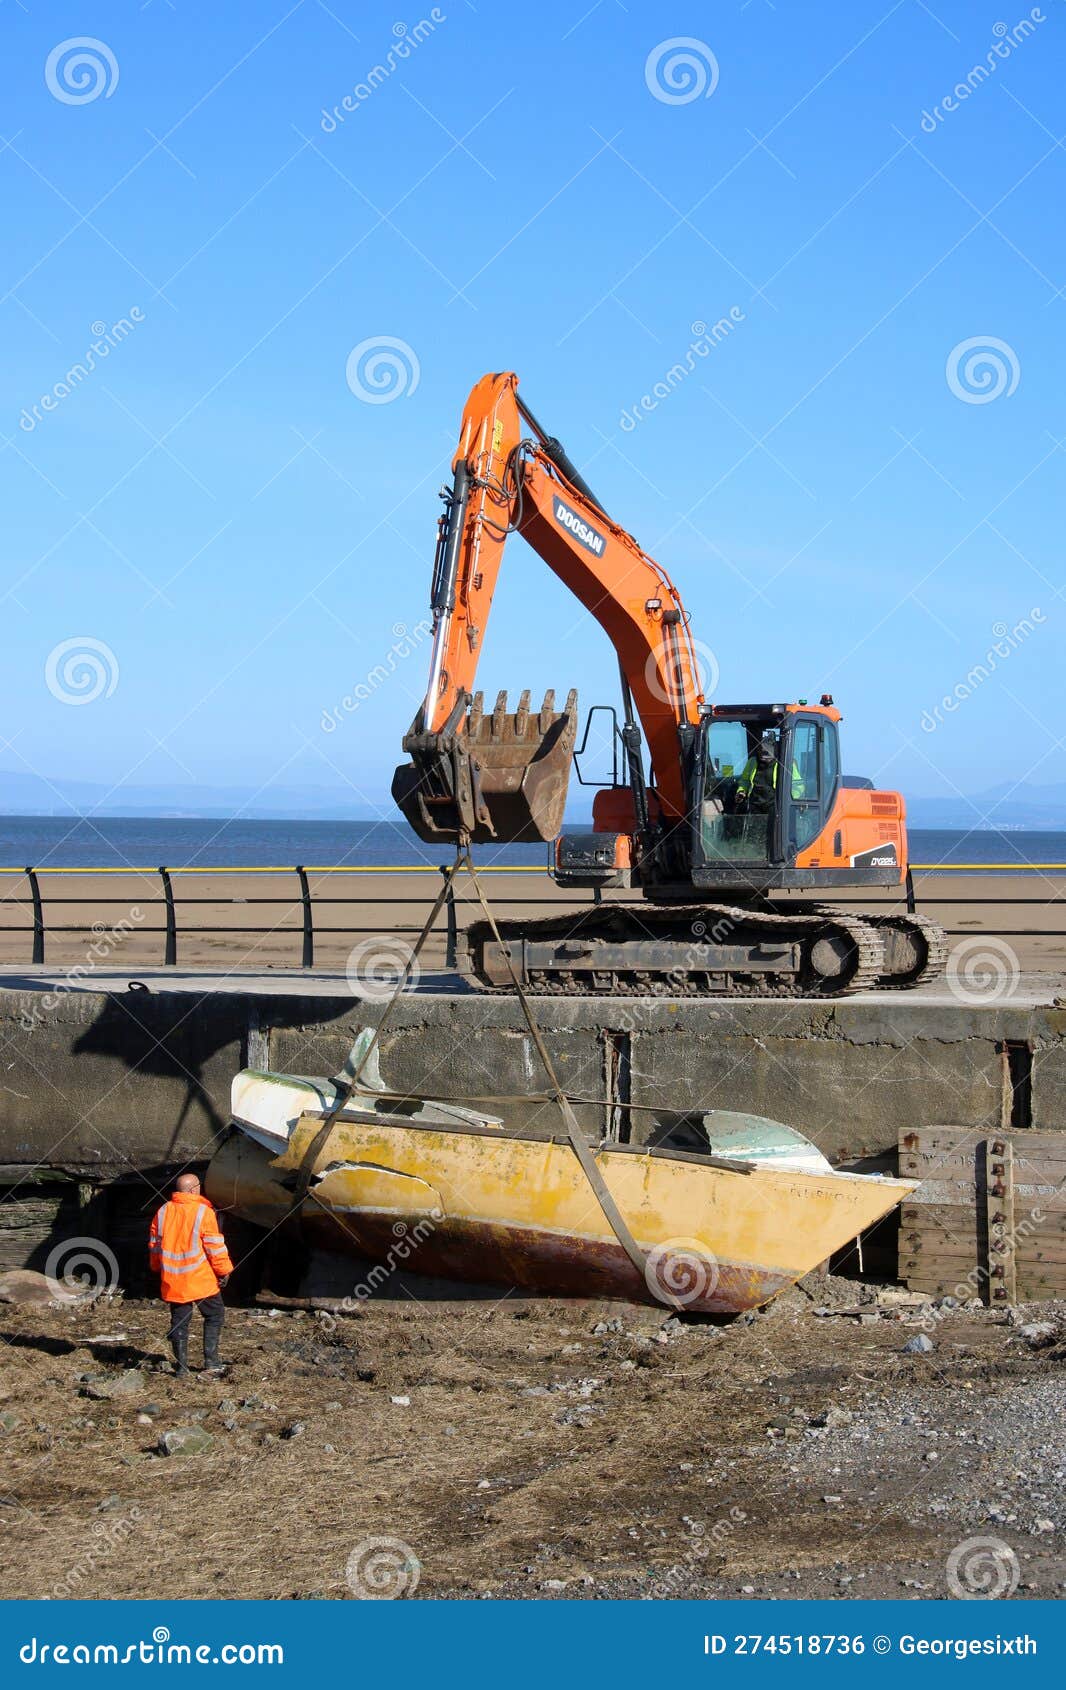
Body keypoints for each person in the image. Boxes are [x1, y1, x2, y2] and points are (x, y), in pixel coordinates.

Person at [149, 1173, 234, 1379]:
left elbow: (155, 1246)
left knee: (179, 1322)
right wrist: (224, 1270)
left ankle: (181, 1368)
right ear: (194, 1189)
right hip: (200, 1279)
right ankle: (212, 1362)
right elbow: (214, 1246)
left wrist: (157, 1268)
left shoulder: (162, 1212)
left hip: (174, 1280)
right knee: (214, 1316)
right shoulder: (203, 1212)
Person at [736, 738, 804, 812]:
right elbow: (744, 781)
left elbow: (797, 785)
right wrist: (741, 791)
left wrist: (792, 799)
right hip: (754, 805)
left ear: (774, 750)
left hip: (776, 806)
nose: (763, 754)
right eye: (760, 750)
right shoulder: (752, 762)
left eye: (766, 751)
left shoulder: (786, 763)